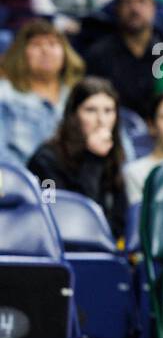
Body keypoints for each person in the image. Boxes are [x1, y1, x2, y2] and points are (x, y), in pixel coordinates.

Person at [27, 78, 128, 238]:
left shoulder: (113, 155)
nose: (101, 120)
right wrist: (93, 159)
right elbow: (65, 216)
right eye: (91, 110)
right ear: (73, 115)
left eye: (108, 111)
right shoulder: (45, 160)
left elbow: (120, 219)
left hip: (106, 248)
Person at [0, 19, 85, 165]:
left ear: (65, 53)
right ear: (21, 54)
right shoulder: (5, 95)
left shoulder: (81, 95)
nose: (45, 51)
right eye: (36, 44)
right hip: (22, 181)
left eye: (53, 44)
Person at [83, 0, 163, 119]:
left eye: (142, 1)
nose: (135, 9)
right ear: (116, 8)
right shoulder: (98, 55)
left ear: (153, 8)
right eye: (127, 2)